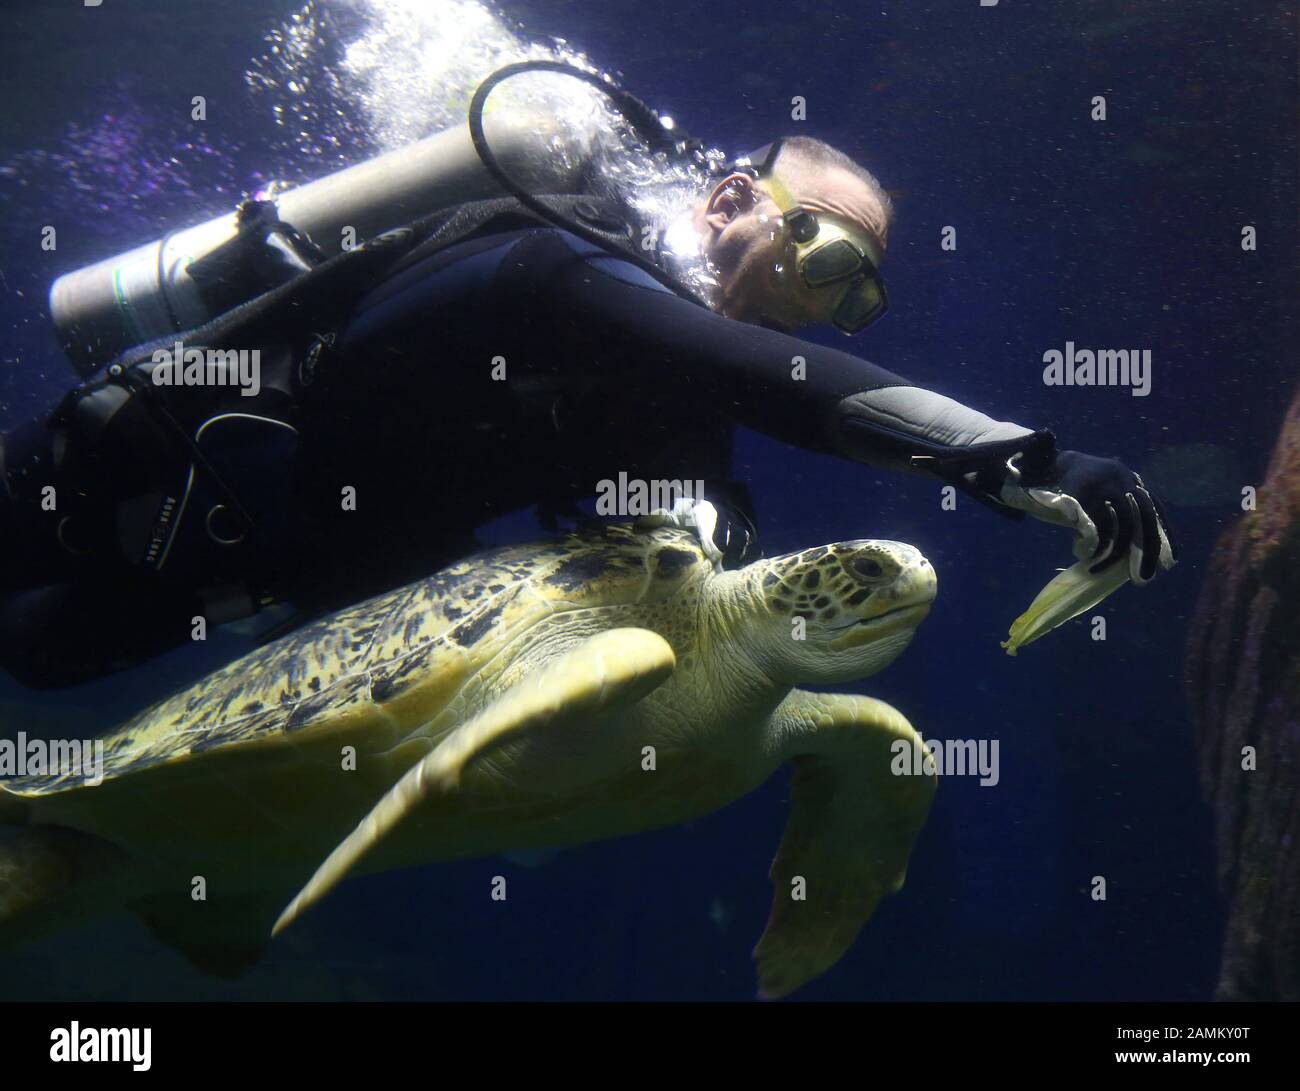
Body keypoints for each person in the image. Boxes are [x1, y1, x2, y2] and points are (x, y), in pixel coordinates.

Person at [0, 133, 1174, 687]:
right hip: (104, 475)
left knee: (36, 664)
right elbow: (762, 377)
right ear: (727, 201)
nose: (824, 307)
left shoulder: (667, 404)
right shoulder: (554, 262)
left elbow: (693, 528)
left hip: (221, 590)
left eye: (856, 296)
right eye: (823, 259)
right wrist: (1028, 459)